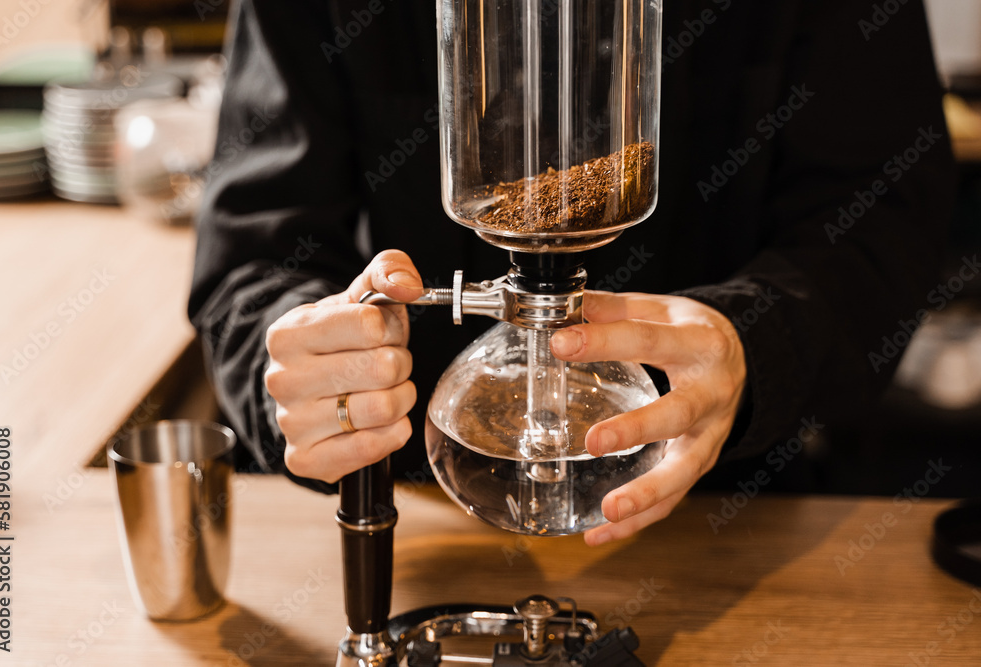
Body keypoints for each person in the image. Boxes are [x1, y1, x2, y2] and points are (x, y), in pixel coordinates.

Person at [189, 0, 956, 546]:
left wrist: (753, 342)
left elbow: (887, 218)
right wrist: (314, 373)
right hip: (423, 519)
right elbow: (253, 260)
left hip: (732, 517)